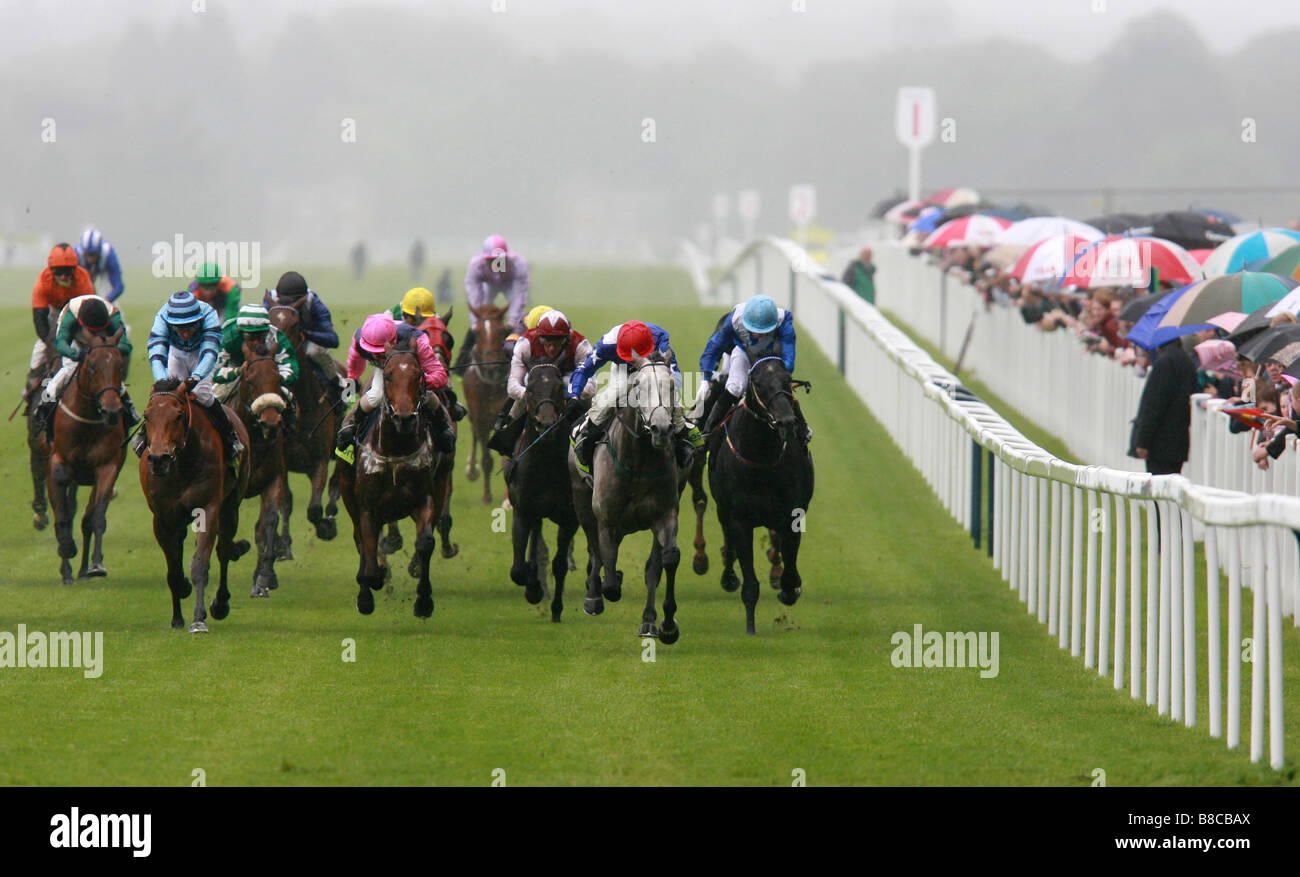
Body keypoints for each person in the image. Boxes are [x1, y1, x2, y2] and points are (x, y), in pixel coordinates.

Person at [568, 320, 696, 468]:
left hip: (653, 367)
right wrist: (574, 395)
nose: (636, 361)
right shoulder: (608, 344)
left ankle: (682, 437)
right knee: (613, 395)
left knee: (668, 392)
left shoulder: (659, 340)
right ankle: (586, 434)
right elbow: (584, 369)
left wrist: (668, 387)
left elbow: (675, 376)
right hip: (623, 369)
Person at [138, 291, 244, 464]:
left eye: (191, 327)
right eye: (180, 329)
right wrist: (163, 385)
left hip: (201, 354)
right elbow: (157, 354)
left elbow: (210, 353)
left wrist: (192, 381)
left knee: (203, 396)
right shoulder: (162, 317)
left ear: (199, 321)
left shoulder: (209, 314)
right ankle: (144, 435)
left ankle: (230, 437)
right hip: (177, 353)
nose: (186, 334)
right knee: (166, 399)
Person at [335, 313, 455, 454]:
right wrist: (352, 379)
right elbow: (354, 363)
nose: (375, 356)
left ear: (393, 342)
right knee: (376, 395)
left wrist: (419, 382)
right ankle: (350, 424)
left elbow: (440, 375)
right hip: (388, 368)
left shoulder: (419, 340)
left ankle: (443, 426)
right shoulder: (359, 338)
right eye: (371, 351)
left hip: (410, 366)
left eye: (379, 352)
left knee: (425, 394)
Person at [698, 294, 809, 443]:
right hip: (743, 352)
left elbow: (789, 360)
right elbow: (713, 348)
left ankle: (802, 429)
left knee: (777, 384)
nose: (758, 334)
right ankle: (707, 431)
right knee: (735, 387)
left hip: (771, 355)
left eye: (764, 331)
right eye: (754, 329)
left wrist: (775, 375)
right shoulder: (734, 320)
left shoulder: (784, 321)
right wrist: (705, 379)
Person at [487, 309, 592, 455]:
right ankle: (507, 431)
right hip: (535, 384)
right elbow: (513, 386)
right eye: (546, 342)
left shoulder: (581, 345)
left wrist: (563, 392)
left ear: (567, 339)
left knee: (591, 418)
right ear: (538, 337)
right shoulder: (525, 344)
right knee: (526, 382)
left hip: (568, 381)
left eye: (558, 342)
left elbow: (590, 386)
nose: (551, 348)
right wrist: (531, 393)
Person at [30, 294, 138, 435]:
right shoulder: (70, 315)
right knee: (68, 369)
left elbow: (126, 346)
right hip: (77, 343)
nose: (94, 334)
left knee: (107, 372)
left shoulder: (113, 315)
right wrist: (75, 354)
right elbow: (61, 344)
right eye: (92, 331)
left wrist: (106, 352)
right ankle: (44, 405)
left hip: (103, 344)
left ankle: (129, 408)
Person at [263, 270, 350, 406]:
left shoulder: (314, 304)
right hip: (277, 342)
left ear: (302, 300)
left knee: (314, 351)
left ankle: (337, 385)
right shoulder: (270, 301)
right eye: (284, 303)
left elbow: (333, 339)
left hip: (305, 342)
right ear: (278, 298)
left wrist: (306, 334)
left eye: (294, 304)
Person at [212, 304, 298, 433]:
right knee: (213, 397)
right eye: (250, 338)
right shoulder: (227, 335)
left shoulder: (276, 337)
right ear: (240, 333)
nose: (256, 342)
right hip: (237, 366)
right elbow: (213, 371)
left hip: (267, 371)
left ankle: (291, 431)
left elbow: (291, 369)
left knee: (288, 396)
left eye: (260, 336)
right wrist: (237, 371)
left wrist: (274, 377)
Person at [386, 287, 466, 421]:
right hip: (392, 362)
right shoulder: (389, 316)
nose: (418, 323)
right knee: (375, 393)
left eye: (427, 318)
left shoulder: (436, 320)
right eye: (412, 320)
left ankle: (449, 405)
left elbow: (436, 349)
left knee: (446, 383)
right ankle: (355, 422)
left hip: (421, 360)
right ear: (405, 314)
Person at [29, 244, 97, 399]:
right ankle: (31, 388)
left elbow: (89, 314)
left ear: (75, 269)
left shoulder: (83, 279)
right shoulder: (43, 281)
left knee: (96, 350)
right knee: (38, 353)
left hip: (78, 314)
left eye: (67, 271)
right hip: (53, 314)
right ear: (51, 270)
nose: (63, 276)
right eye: (58, 272)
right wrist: (51, 344)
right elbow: (39, 318)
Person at [455, 234, 529, 369]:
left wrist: (512, 321)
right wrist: (475, 322)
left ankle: (523, 361)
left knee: (518, 322)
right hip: (488, 286)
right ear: (485, 259)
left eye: (500, 261)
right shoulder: (476, 265)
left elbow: (518, 296)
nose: (497, 265)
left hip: (510, 286)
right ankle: (462, 362)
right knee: (481, 323)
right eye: (492, 261)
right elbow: (474, 297)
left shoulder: (518, 264)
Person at [1129, 336, 1198, 475]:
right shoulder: (1186, 360)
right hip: (1179, 440)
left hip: (1160, 441)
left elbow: (1153, 405)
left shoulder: (1164, 363)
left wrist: (1142, 440)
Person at [189, 262, 242, 349]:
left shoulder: (231, 288)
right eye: (205, 286)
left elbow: (230, 318)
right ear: (199, 284)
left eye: (213, 285)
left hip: (224, 304)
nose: (209, 291)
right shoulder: (192, 293)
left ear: (219, 282)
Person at [76, 228, 124, 303]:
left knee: (105, 292)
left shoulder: (108, 254)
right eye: (87, 254)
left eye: (93, 254)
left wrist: (104, 302)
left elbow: (118, 286)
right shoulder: (76, 255)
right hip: (83, 274)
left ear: (100, 251)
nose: (90, 258)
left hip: (103, 272)